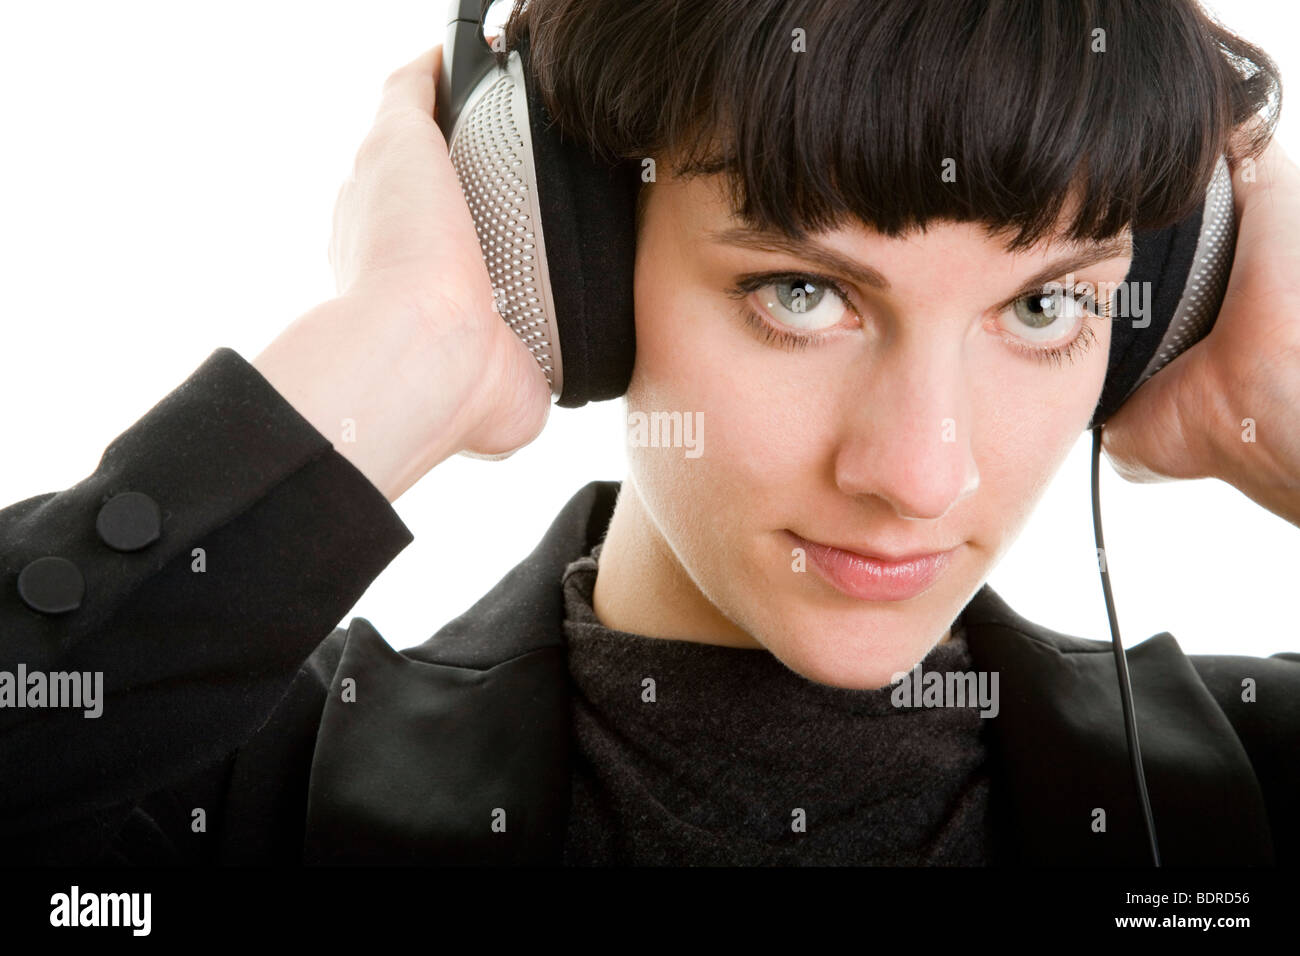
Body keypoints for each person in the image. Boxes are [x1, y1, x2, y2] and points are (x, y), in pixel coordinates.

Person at [2, 0, 1297, 866]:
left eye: (1044, 304)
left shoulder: (1262, 782)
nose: (920, 474)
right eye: (803, 293)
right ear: (566, 263)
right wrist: (391, 359)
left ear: (1149, 313)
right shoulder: (226, 800)